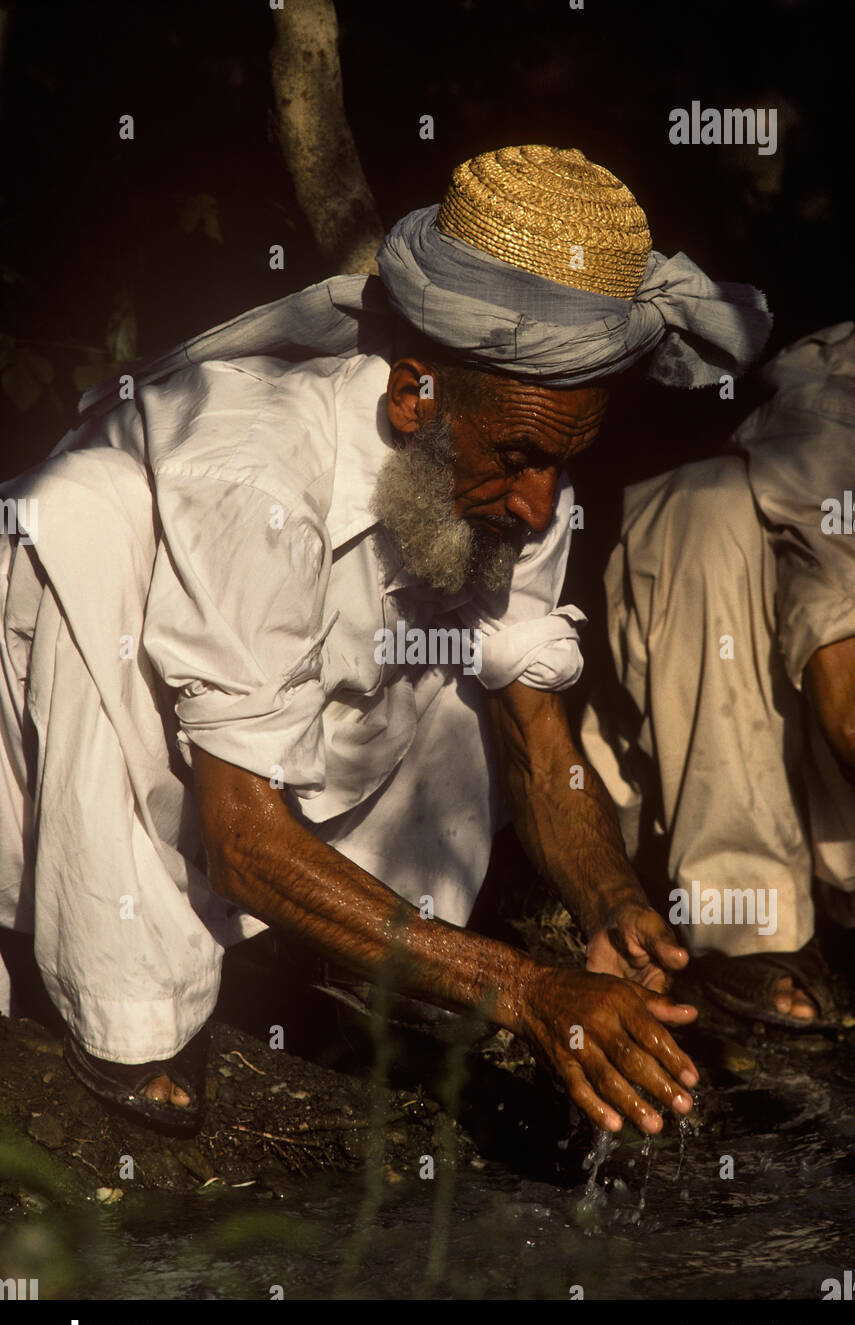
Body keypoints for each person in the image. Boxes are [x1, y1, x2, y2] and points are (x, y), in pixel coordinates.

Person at [0, 145, 771, 1135]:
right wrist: (526, 991)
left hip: (270, 754)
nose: (541, 507)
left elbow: (538, 735)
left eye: (563, 463)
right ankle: (131, 1005)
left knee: (461, 636)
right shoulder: (257, 472)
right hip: (83, 758)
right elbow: (241, 835)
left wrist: (608, 902)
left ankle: (332, 953)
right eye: (523, 457)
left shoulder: (514, 467)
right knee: (84, 515)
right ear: (416, 395)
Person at [582, 322, 855, 1028]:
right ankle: (746, 919)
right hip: (716, 759)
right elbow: (848, 708)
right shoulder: (835, 394)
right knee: (709, 507)